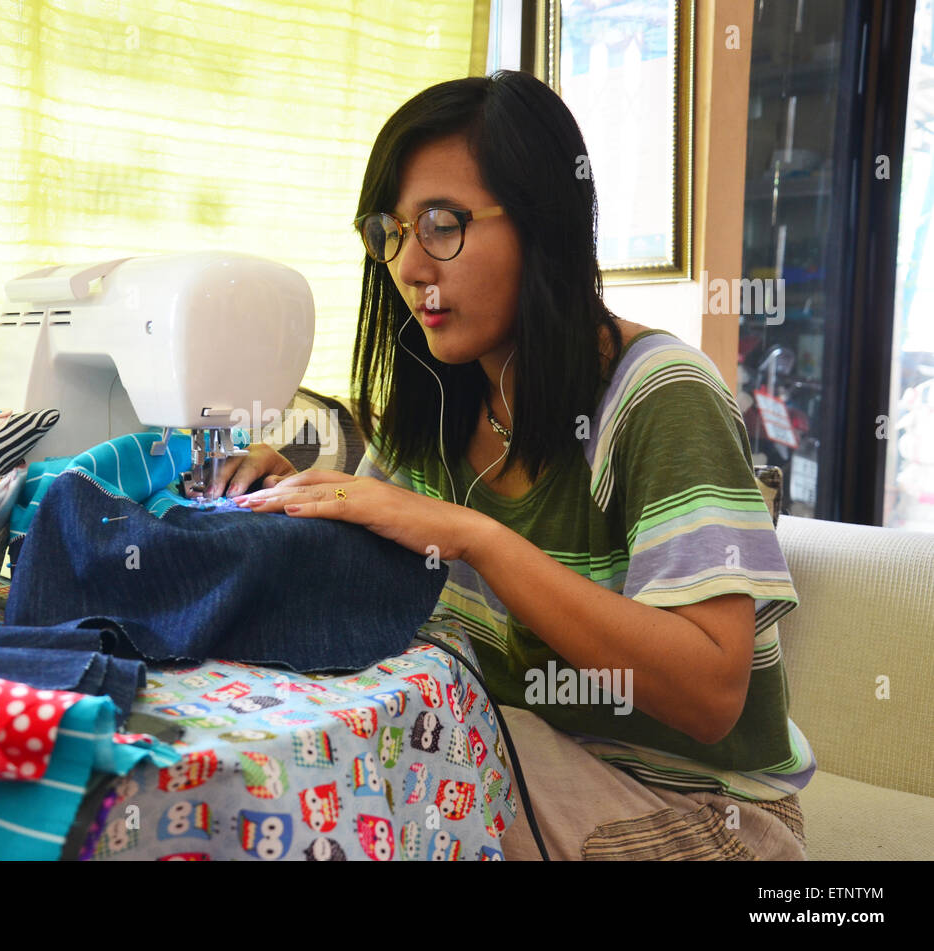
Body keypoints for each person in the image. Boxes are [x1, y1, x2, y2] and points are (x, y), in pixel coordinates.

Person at [219, 70, 813, 860]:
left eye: (441, 223)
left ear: (544, 225)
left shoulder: (658, 397)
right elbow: (375, 534)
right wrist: (288, 471)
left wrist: (480, 540)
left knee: (362, 808)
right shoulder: (442, 394)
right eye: (391, 232)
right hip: (540, 746)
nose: (409, 265)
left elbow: (711, 693)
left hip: (703, 811)